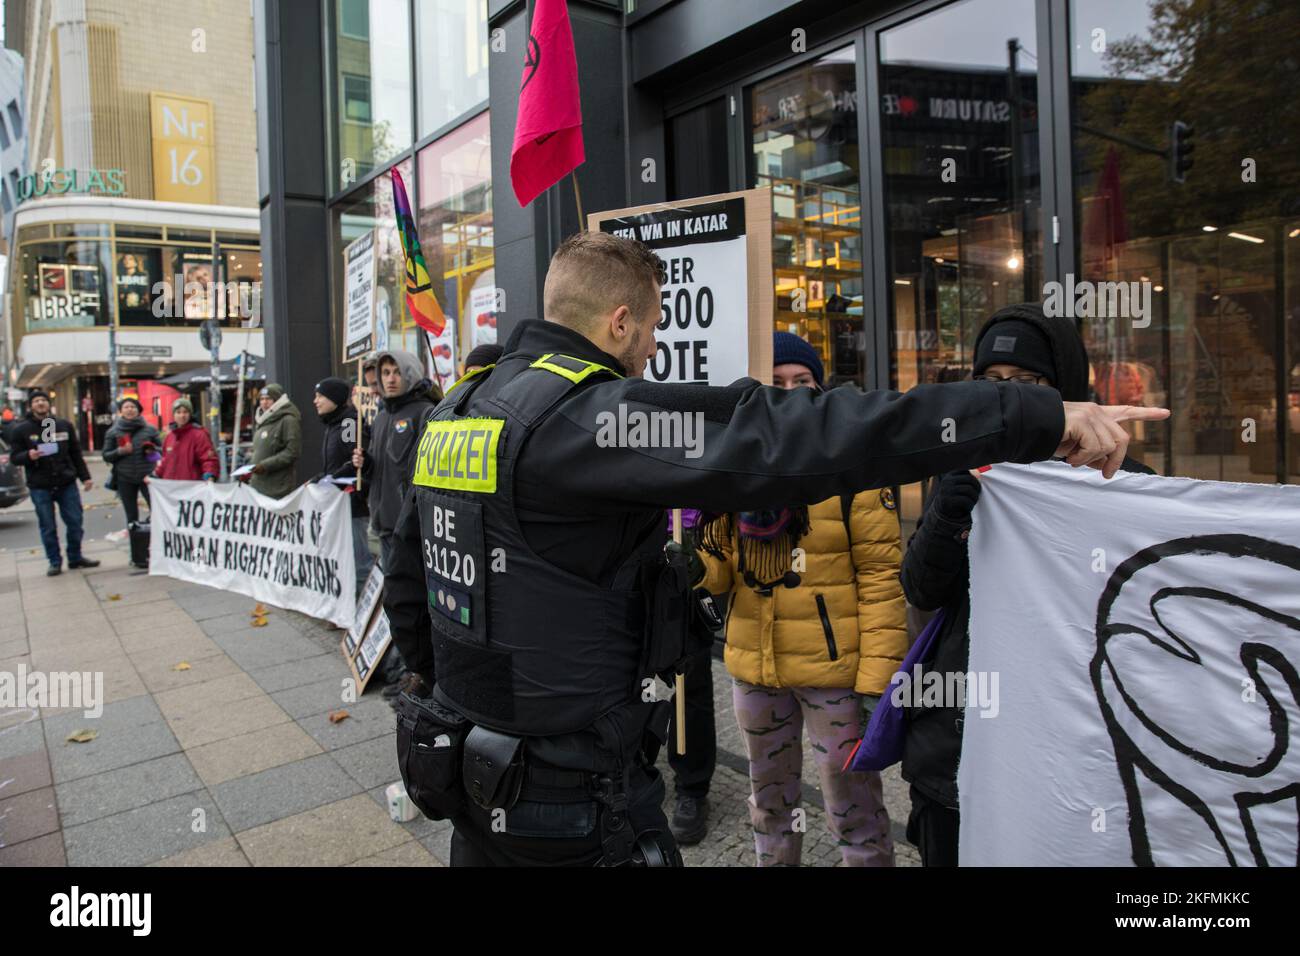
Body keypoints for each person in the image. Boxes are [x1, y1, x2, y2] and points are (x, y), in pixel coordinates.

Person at [381, 232, 1166, 868]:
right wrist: (1031, 415)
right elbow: (798, 435)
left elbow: (408, 584)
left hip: (467, 772)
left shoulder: (460, 409)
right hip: (567, 796)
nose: (653, 350)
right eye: (652, 328)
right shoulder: (584, 419)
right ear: (619, 321)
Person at [899, 302, 1157, 867]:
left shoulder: (1121, 484)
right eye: (990, 383)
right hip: (959, 740)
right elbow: (921, 588)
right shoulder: (964, 464)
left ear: (1064, 387)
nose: (1006, 398)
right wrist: (948, 515)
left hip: (1069, 742)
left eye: (1026, 383)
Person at [693, 332, 906, 866]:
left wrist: (877, 682)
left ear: (820, 387)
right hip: (755, 668)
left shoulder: (854, 461)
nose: (789, 392)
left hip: (834, 673)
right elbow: (716, 580)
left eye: (802, 381)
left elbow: (882, 575)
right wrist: (697, 533)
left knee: (852, 803)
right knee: (768, 802)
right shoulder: (738, 463)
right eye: (777, 382)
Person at [352, 350, 442, 695]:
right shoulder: (381, 418)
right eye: (384, 372)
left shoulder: (424, 414)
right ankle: (403, 667)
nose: (389, 378)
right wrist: (366, 462)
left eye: (394, 371)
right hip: (385, 525)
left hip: (411, 529)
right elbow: (384, 472)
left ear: (409, 372)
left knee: (412, 601)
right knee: (396, 601)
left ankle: (417, 672)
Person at [10, 389, 99, 576]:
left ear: (49, 404)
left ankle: (75, 558)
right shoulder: (21, 429)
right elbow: (15, 457)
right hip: (40, 485)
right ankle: (54, 561)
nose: (40, 403)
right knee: (48, 526)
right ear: (31, 406)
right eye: (36, 401)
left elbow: (75, 453)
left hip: (66, 482)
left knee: (75, 521)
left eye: (43, 400)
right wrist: (28, 455)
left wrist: (85, 477)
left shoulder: (63, 425)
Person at [313, 376, 373, 593]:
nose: (315, 401)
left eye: (320, 396)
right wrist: (316, 480)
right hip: (337, 503)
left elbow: (353, 459)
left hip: (351, 502)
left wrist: (329, 481)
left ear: (335, 398)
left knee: (359, 560)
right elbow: (335, 466)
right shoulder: (332, 424)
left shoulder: (348, 422)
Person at [103, 396, 161, 536]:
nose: (130, 410)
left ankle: (156, 543)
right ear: (121, 411)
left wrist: (152, 449)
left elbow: (162, 450)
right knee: (131, 515)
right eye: (126, 407)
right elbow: (106, 455)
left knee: (157, 510)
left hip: (148, 476)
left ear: (138, 410)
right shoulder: (113, 432)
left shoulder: (150, 430)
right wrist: (120, 451)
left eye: (133, 407)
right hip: (125, 477)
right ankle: (136, 548)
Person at [248, 383, 302, 498]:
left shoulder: (288, 420)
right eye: (261, 399)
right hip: (258, 484)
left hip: (277, 487)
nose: (264, 403)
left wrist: (265, 465)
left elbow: (292, 452)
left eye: (268, 399)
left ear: (278, 400)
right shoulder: (262, 420)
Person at [153, 398, 219, 481]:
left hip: (191, 486)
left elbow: (208, 459)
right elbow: (165, 461)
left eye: (185, 412)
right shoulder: (170, 437)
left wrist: (210, 474)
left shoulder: (199, 434)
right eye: (178, 412)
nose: (182, 415)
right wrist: (156, 475)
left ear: (190, 414)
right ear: (173, 415)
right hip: (171, 487)